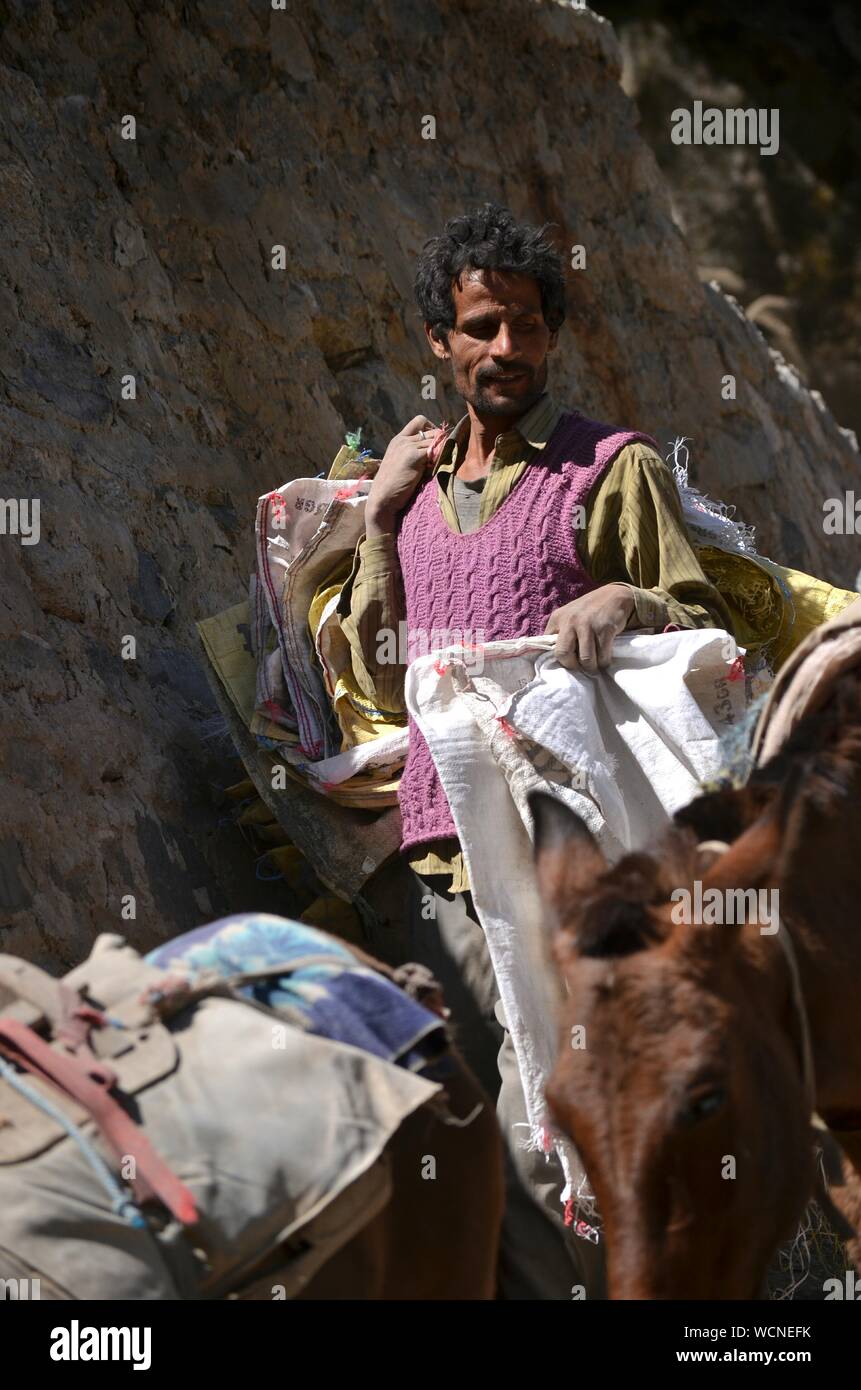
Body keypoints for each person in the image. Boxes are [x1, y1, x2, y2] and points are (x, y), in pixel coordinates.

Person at [336, 202, 732, 1298]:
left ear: (553, 335)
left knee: (542, 1127)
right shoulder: (411, 502)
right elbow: (377, 674)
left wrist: (627, 595)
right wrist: (375, 524)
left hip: (565, 856)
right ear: (440, 341)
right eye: (480, 326)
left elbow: (707, 636)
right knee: (442, 1129)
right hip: (429, 855)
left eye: (526, 326)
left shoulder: (610, 469)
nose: (504, 349)